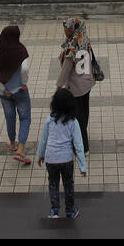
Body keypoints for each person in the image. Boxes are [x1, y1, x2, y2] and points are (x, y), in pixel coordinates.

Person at [35, 88, 87, 220]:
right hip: (66, 159)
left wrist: (40, 155)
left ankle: (55, 211)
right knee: (68, 184)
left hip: (50, 158)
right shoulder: (73, 122)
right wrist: (82, 166)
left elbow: (43, 140)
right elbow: (79, 145)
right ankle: (70, 211)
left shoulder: (50, 120)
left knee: (53, 183)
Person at [0, 25, 32, 164]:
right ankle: (21, 148)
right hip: (20, 91)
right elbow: (24, 69)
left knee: (9, 117)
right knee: (25, 118)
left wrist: (3, 89)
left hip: (4, 94)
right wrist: (23, 83)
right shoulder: (20, 50)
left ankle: (12, 144)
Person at [56, 16, 95, 154]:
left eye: (67, 29)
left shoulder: (73, 47)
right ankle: (83, 142)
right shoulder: (83, 38)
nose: (65, 32)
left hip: (76, 87)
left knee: (77, 119)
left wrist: (59, 86)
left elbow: (67, 68)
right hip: (86, 84)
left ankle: (83, 147)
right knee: (84, 114)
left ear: (73, 28)